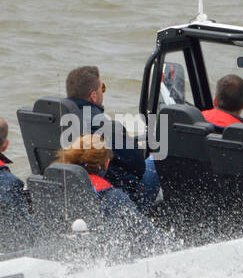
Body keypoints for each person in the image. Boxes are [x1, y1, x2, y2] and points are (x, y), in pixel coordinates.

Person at [64, 65, 158, 208]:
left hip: (70, 195)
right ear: (93, 96)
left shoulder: (60, 122)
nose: (103, 92)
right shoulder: (109, 128)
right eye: (102, 88)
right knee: (155, 160)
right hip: (117, 200)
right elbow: (139, 168)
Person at [55, 134, 167, 248]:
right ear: (106, 163)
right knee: (154, 160)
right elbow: (150, 237)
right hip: (119, 251)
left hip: (78, 245)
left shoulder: (60, 189)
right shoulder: (113, 198)